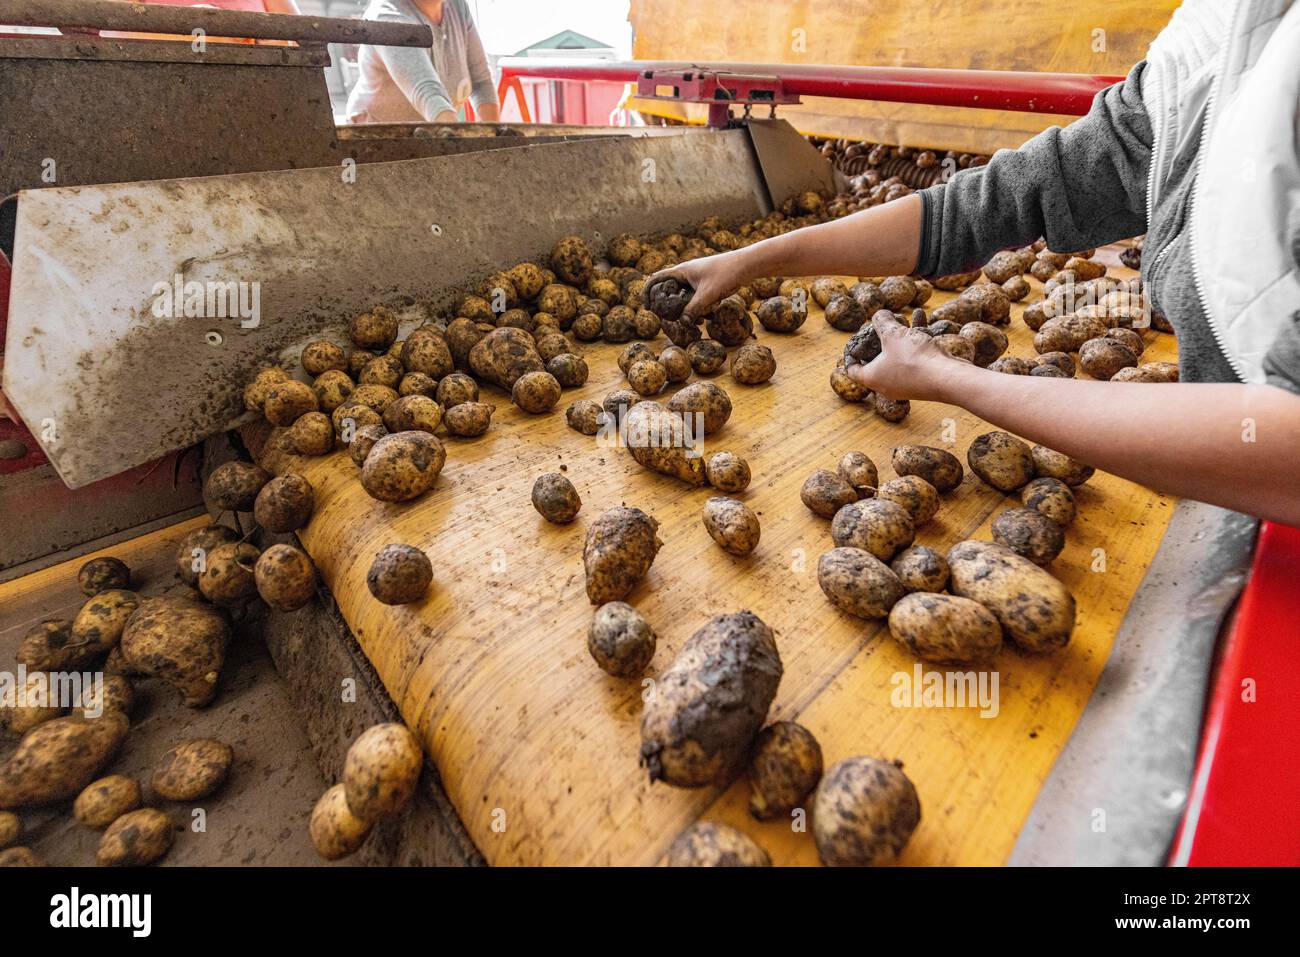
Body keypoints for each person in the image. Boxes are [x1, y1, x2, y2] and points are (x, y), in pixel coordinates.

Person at [654, 0, 1300, 527]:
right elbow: (1001, 199)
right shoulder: (1223, 34)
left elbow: (1286, 450)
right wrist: (758, 258)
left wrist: (958, 381)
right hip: (1224, 486)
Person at [345, 0, 499, 124]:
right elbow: (428, 94)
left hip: (430, 133)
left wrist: (496, 144)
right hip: (377, 140)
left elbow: (481, 82)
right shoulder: (387, 16)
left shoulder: (457, 6)